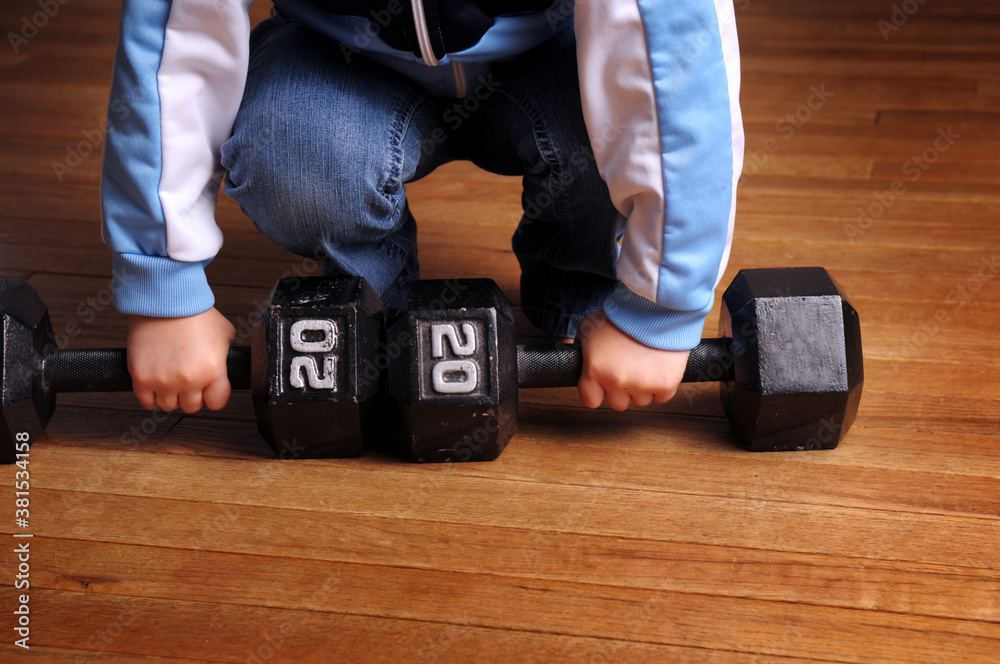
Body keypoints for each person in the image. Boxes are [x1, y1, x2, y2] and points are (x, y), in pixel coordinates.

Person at [103, 1, 743, 417]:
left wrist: (659, 305)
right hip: (341, 58)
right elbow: (174, 38)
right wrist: (166, 285)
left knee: (613, 129)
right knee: (290, 148)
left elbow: (672, 67)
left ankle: (579, 285)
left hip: (549, 49)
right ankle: (367, 311)